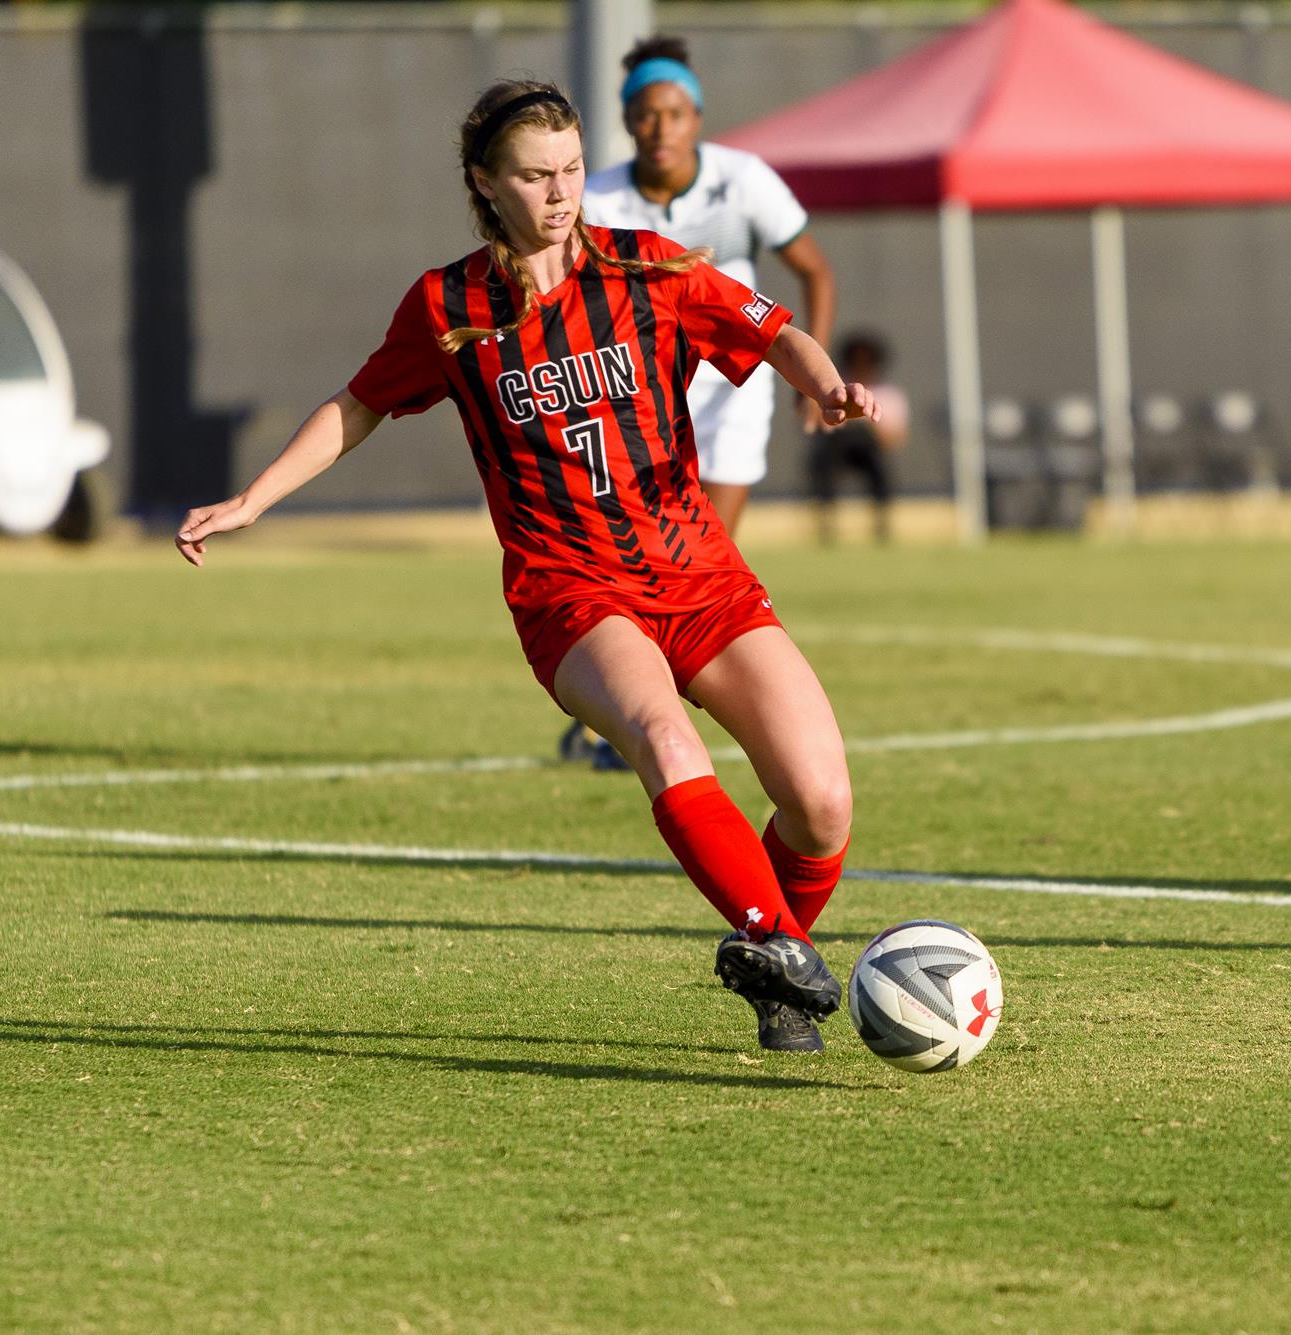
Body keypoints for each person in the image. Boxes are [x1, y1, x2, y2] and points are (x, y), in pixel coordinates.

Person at [173, 81, 875, 1056]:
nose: (560, 192)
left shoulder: (650, 270)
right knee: (663, 739)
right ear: (484, 183)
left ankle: (776, 968)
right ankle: (772, 945)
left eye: (573, 170)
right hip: (571, 593)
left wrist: (827, 383)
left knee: (822, 802)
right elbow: (359, 403)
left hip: (699, 577)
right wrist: (254, 497)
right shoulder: (448, 305)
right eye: (535, 175)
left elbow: (772, 328)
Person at [582, 35, 835, 538]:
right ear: (627, 119)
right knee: (646, 538)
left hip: (737, 375)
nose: (661, 129)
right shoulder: (595, 199)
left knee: (711, 540)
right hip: (645, 383)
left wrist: (814, 376)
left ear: (697, 118)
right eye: (646, 114)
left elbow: (815, 272)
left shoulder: (744, 179)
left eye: (676, 113)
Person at [809, 331, 909, 545]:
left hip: (869, 453)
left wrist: (869, 427)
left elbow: (894, 440)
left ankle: (882, 525)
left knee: (877, 465)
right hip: (835, 449)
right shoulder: (832, 392)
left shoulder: (888, 395)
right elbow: (813, 425)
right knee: (824, 463)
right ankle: (826, 526)